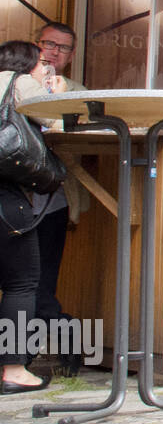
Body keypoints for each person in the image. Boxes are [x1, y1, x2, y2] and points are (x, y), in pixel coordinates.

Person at [0, 40, 54, 393]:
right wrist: (52, 88)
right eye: (42, 62)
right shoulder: (18, 82)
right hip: (4, 195)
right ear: (28, 64)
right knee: (21, 282)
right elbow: (52, 117)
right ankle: (15, 370)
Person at [32, 23, 86, 373]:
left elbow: (88, 131)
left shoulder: (77, 91)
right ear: (36, 45)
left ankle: (63, 343)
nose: (54, 52)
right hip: (10, 200)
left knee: (38, 286)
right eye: (48, 44)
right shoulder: (13, 84)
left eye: (63, 48)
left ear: (71, 55)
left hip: (50, 202)